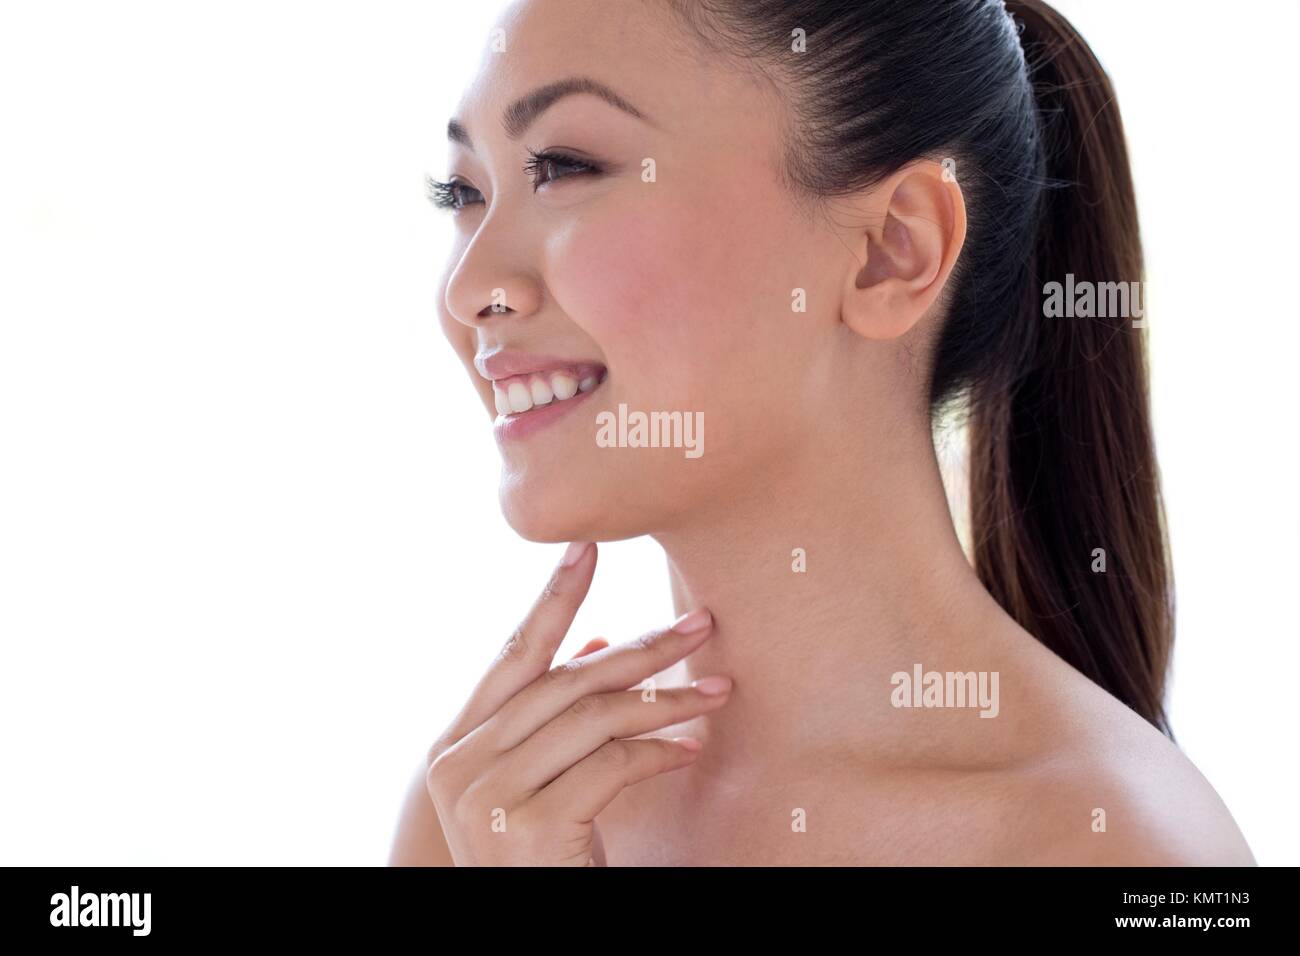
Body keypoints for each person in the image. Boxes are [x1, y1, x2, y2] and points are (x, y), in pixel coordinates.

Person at [389, 0, 1256, 865]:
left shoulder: (1126, 848)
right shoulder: (487, 815)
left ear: (891, 249)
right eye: (462, 192)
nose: (472, 290)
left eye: (567, 167)